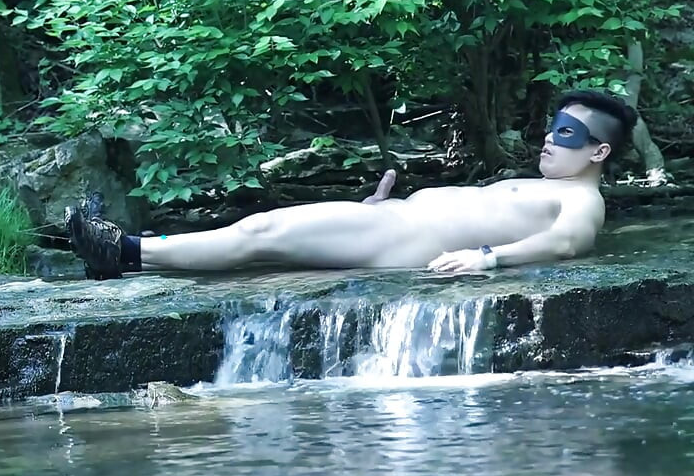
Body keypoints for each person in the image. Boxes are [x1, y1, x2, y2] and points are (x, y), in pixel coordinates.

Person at [65, 89, 638, 279]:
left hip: (399, 242)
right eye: (551, 130)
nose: (548, 141)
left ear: (599, 151)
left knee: (263, 231)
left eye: (565, 135)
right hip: (388, 223)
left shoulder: (584, 202)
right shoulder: (549, 186)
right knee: (262, 233)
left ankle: (125, 252)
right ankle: (132, 250)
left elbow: (568, 245)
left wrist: (487, 258)